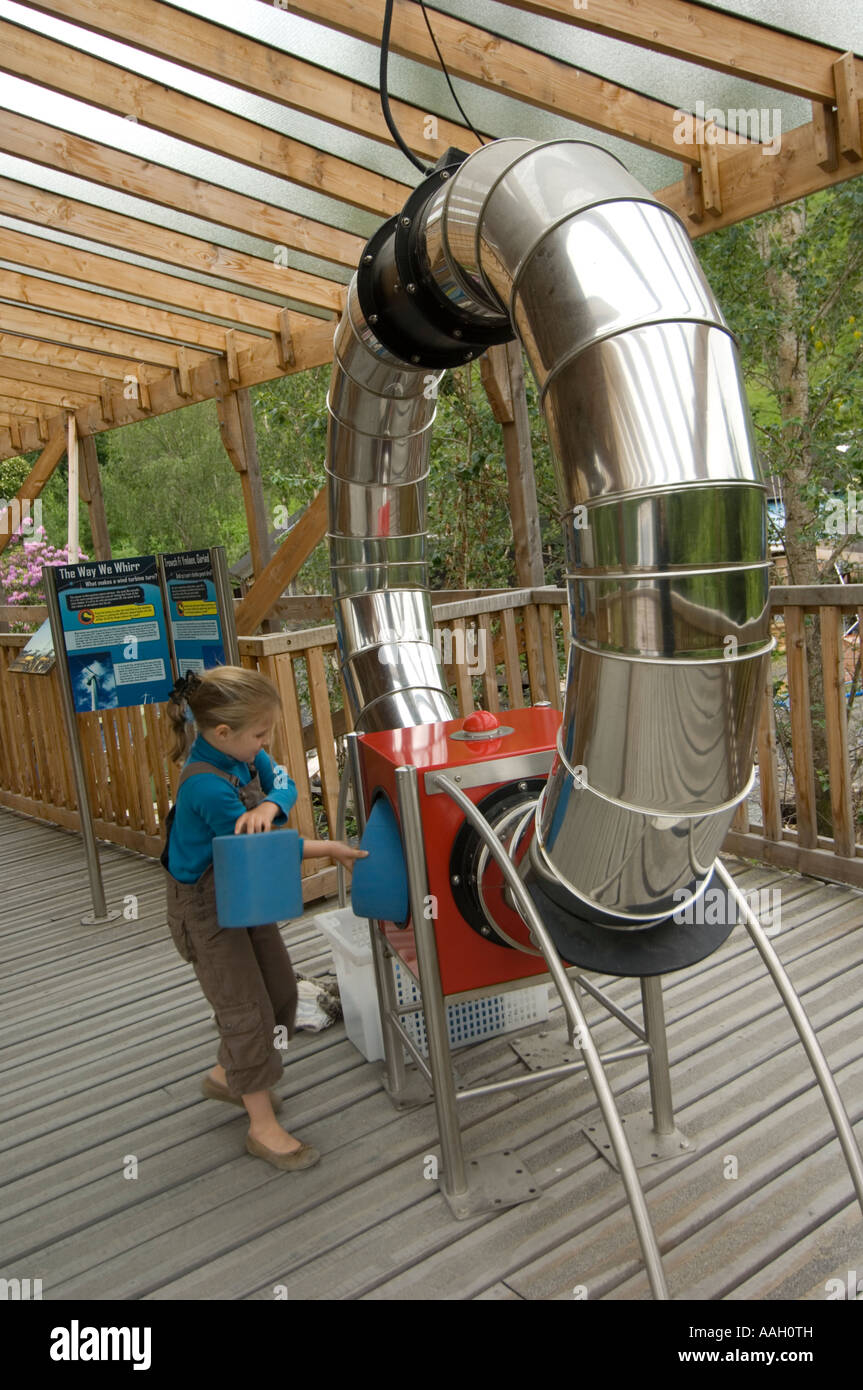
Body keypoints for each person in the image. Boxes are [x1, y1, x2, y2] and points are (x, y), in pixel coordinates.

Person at [163, 665, 367, 1173]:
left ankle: (225, 1075)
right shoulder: (206, 788)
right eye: (261, 734)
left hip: (241, 884)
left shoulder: (244, 754)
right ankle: (261, 1125)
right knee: (246, 1010)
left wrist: (273, 804)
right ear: (222, 732)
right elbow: (262, 849)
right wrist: (326, 848)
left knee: (280, 991)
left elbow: (286, 783)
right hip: (205, 907)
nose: (267, 742)